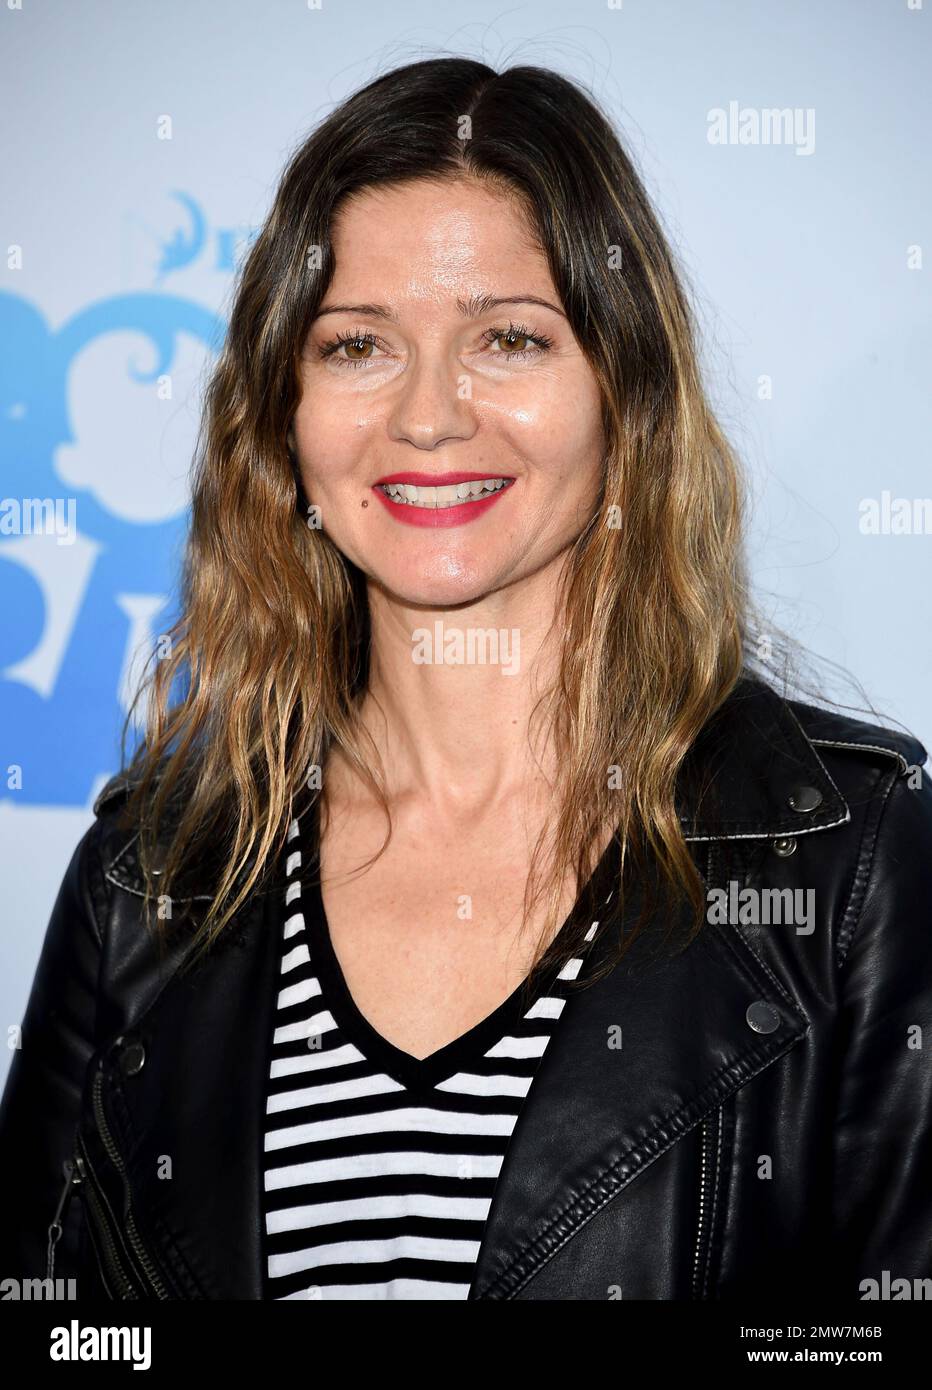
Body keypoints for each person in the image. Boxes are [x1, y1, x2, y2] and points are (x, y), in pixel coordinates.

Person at [1, 57, 930, 1303]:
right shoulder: (147, 882)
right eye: (357, 345)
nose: (429, 414)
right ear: (284, 414)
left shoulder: (844, 856)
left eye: (507, 337)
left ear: (624, 392)